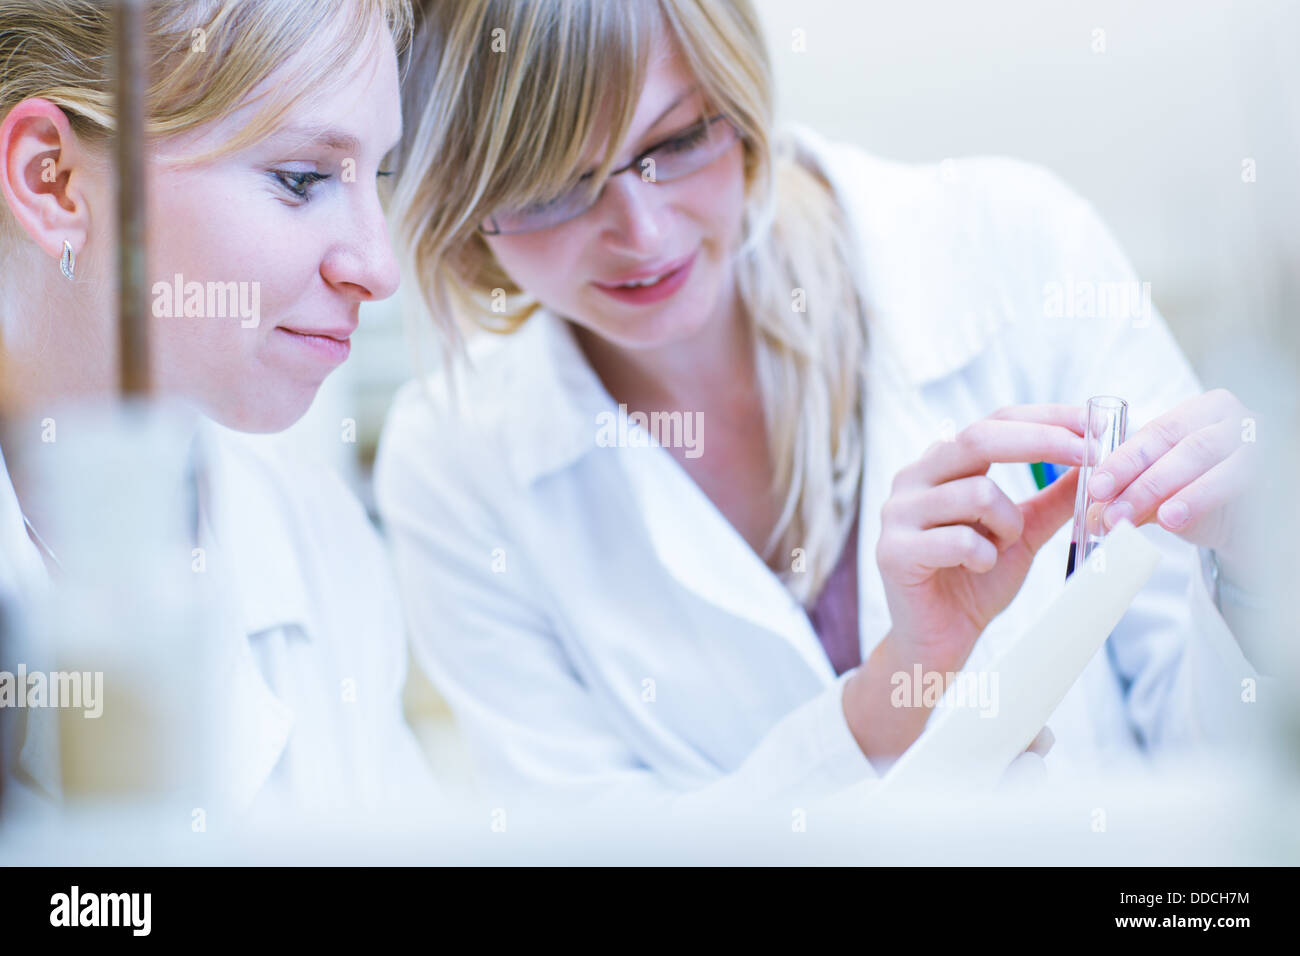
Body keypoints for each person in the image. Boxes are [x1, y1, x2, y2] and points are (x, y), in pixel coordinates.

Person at [375, 0, 1267, 809]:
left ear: (740, 91)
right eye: (549, 191)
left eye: (678, 141)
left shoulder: (1016, 252)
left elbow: (1225, 782)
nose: (643, 235)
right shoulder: (453, 468)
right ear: (458, 205)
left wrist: (1259, 573)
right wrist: (893, 697)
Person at [0, 0, 436, 822]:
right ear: (50, 180)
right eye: (301, 179)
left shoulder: (319, 541)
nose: (381, 269)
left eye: (377, 177)